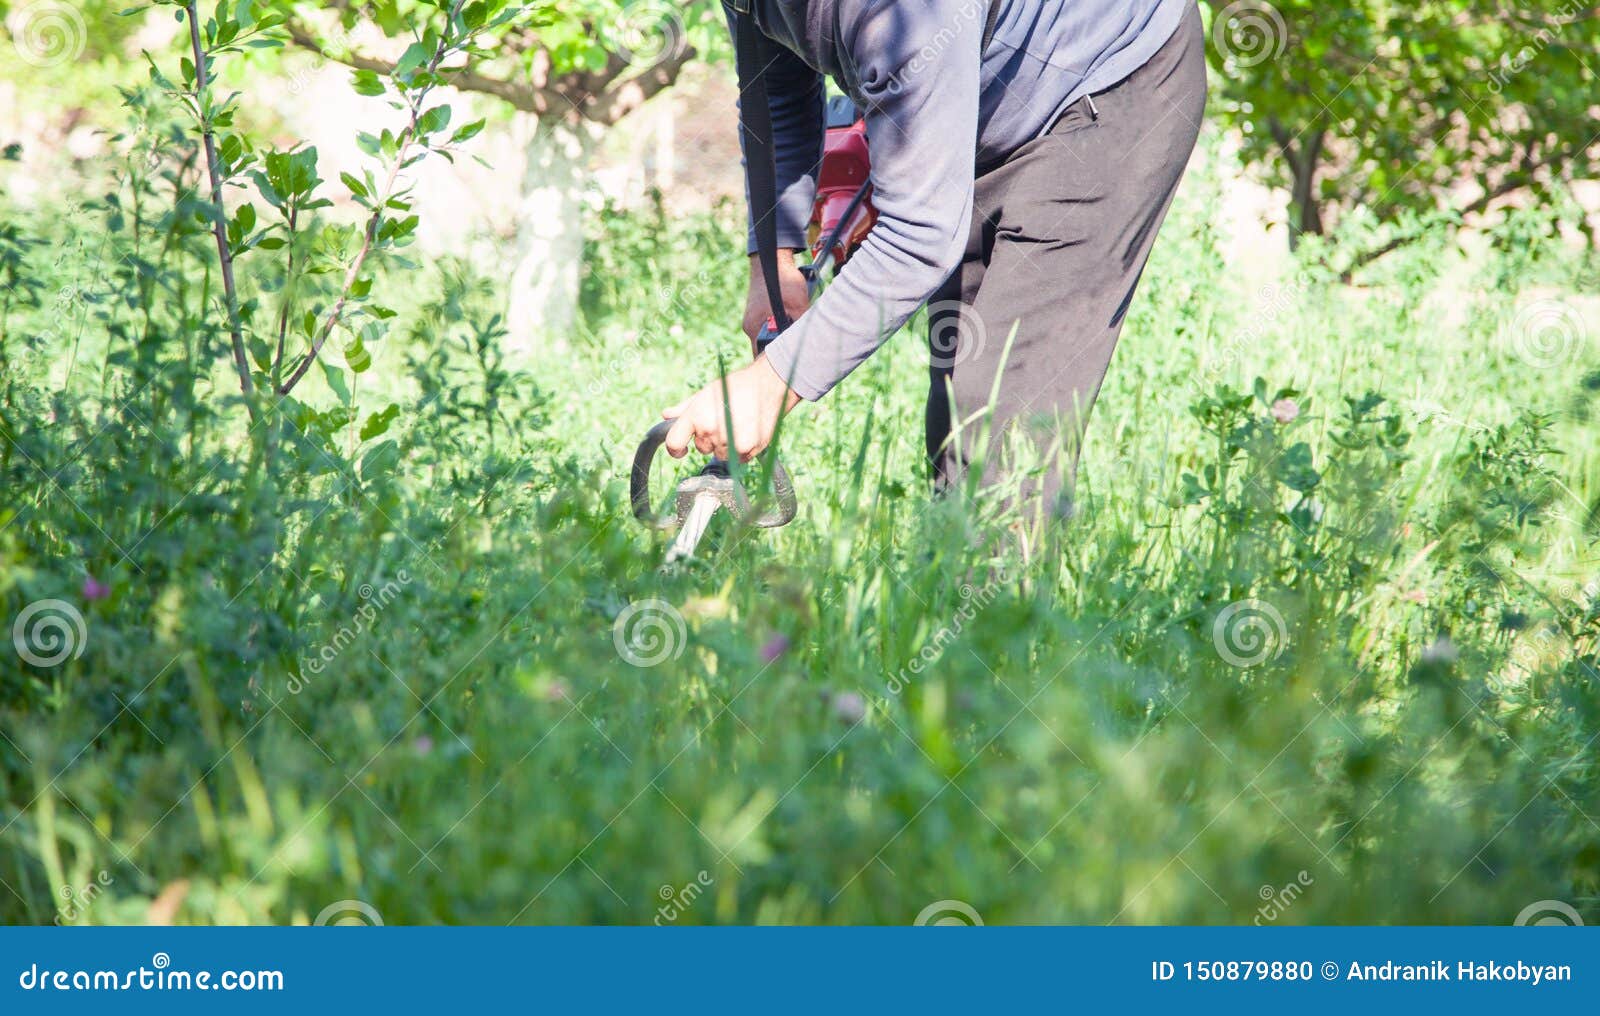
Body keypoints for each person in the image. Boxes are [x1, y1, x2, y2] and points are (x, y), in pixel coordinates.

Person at [662, 0, 1207, 528]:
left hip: (1106, 82)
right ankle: (954, 603)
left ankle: (998, 613)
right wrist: (773, 265)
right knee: (957, 402)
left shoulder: (901, 12)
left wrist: (771, 385)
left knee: (1003, 405)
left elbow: (919, 238)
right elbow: (774, 93)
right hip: (983, 83)